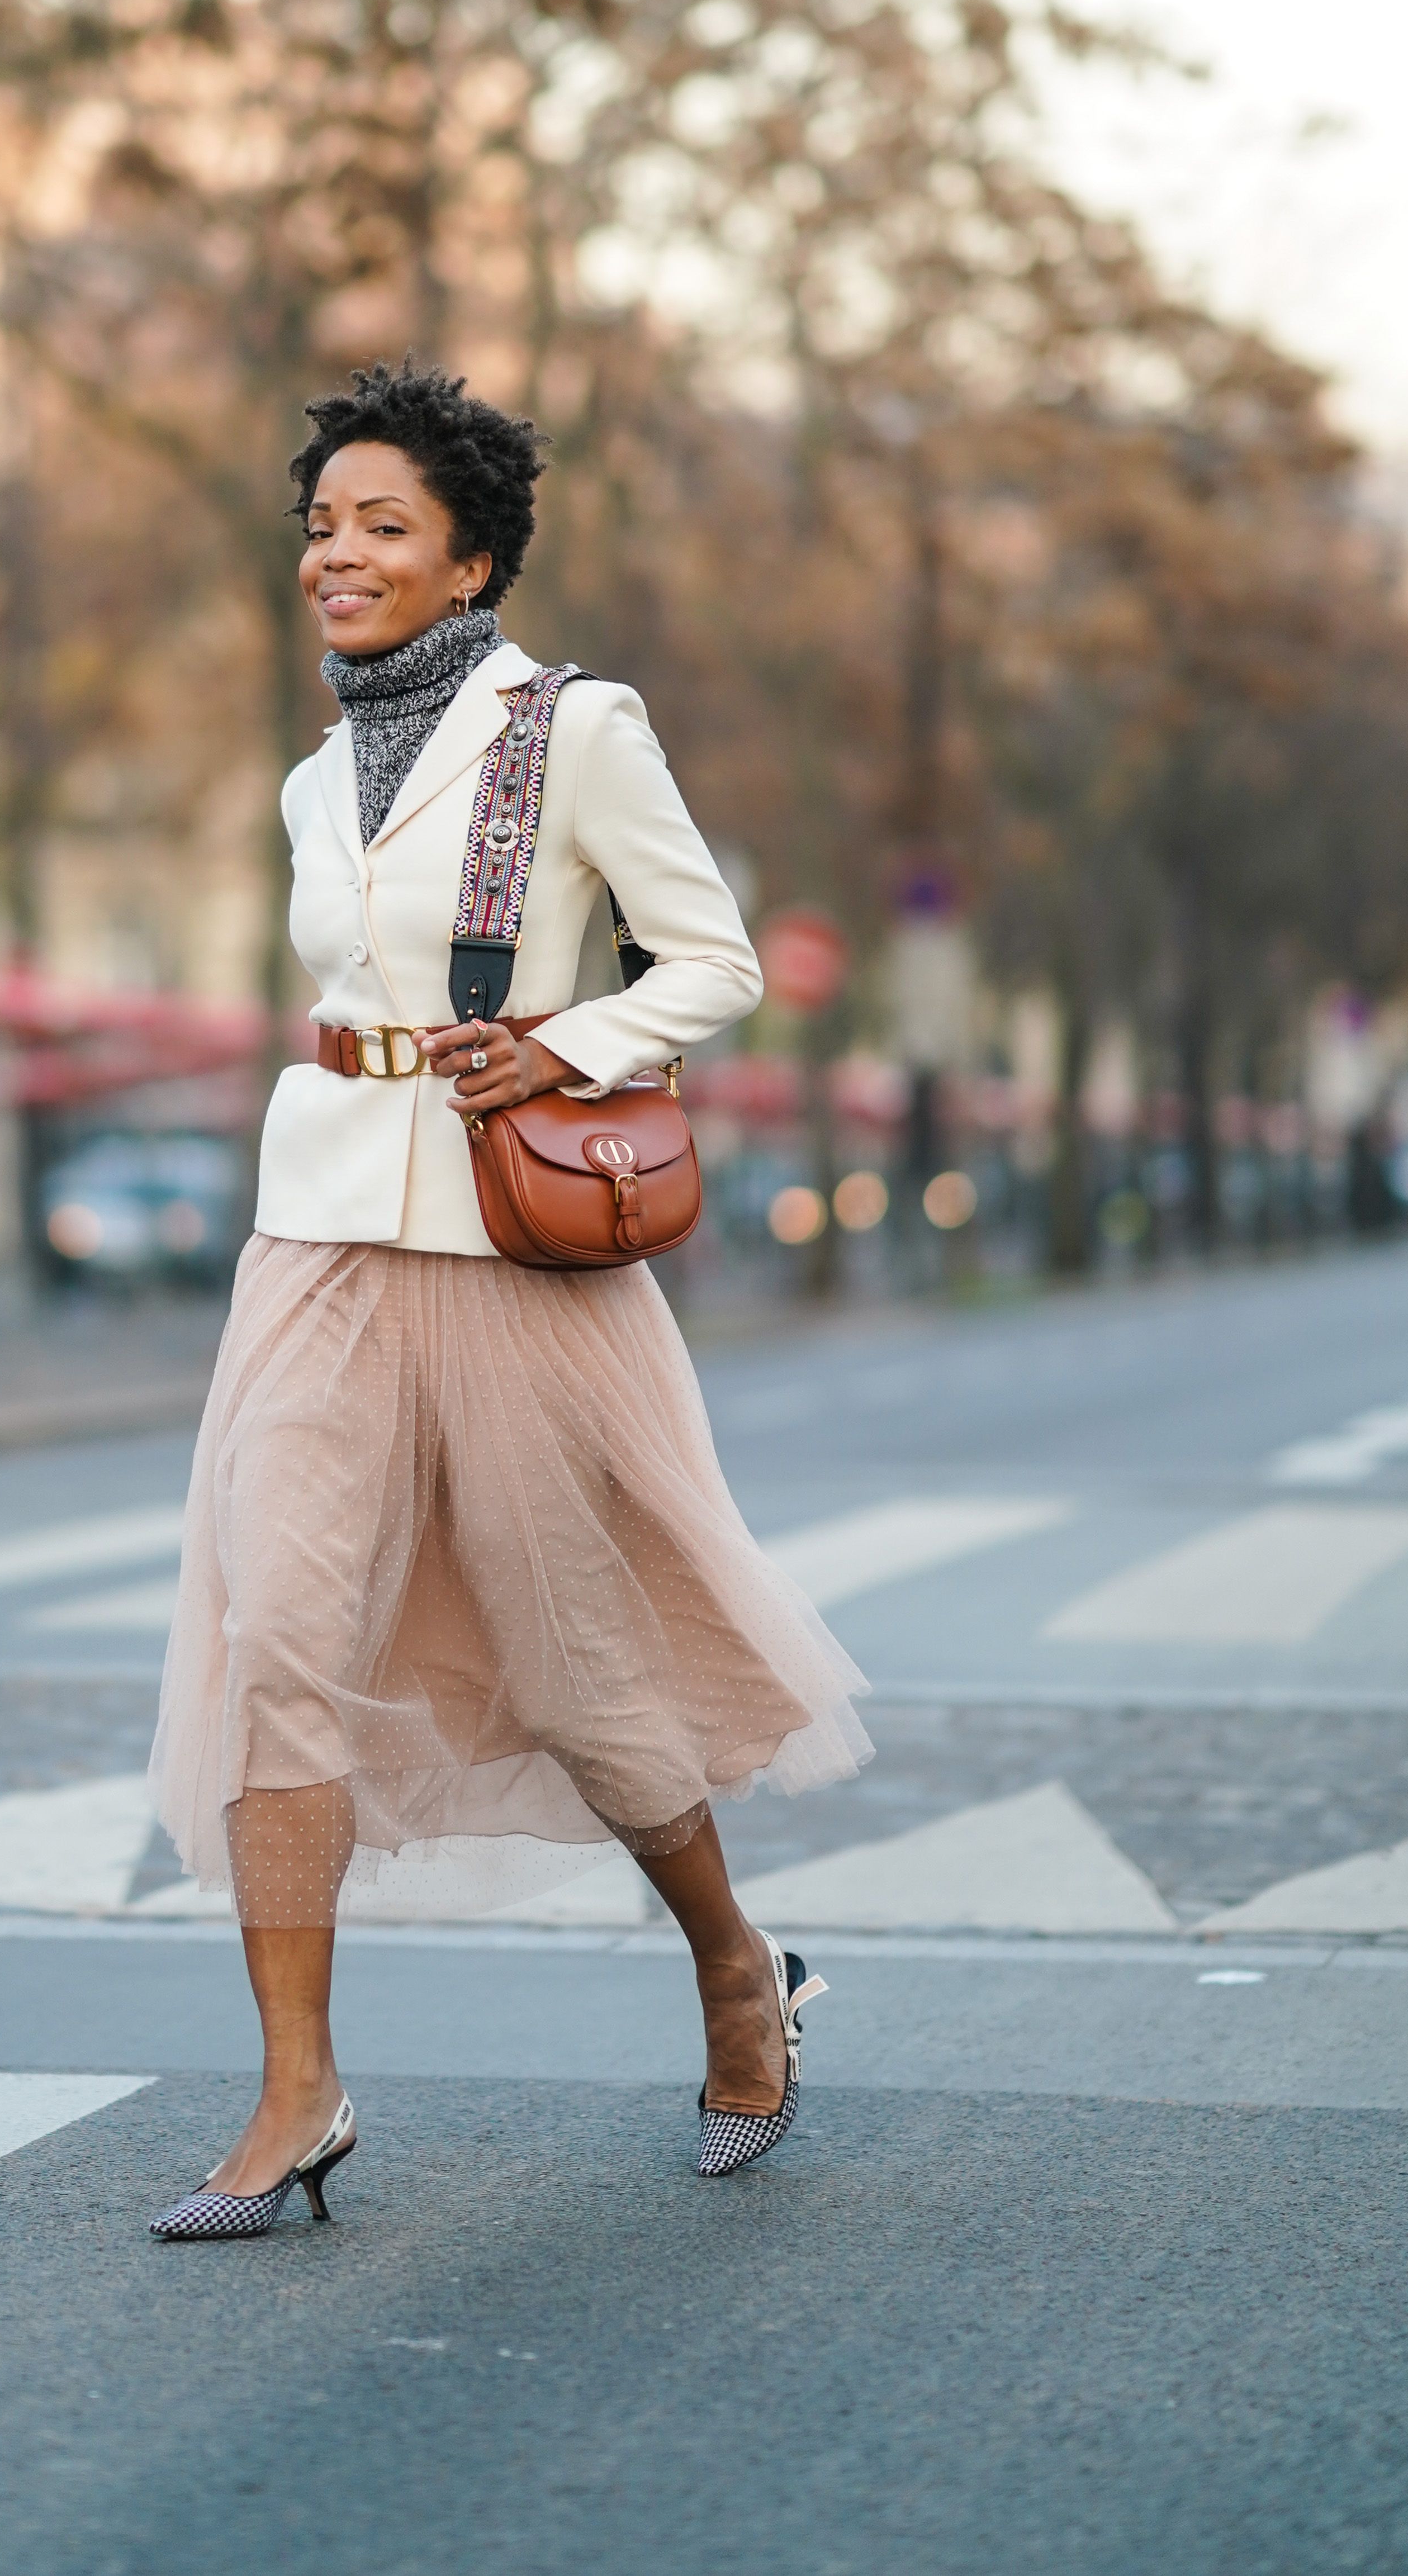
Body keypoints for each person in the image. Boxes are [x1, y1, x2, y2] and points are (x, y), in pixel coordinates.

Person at [147, 360, 871, 2237]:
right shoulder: (315, 775)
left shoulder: (573, 725)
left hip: (510, 1242)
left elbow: (709, 959)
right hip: (316, 1241)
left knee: (579, 1656)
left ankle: (733, 1967)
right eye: (321, 526)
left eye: (383, 524)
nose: (339, 555)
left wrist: (564, 1048)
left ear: (469, 555)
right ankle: (296, 2090)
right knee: (277, 1637)